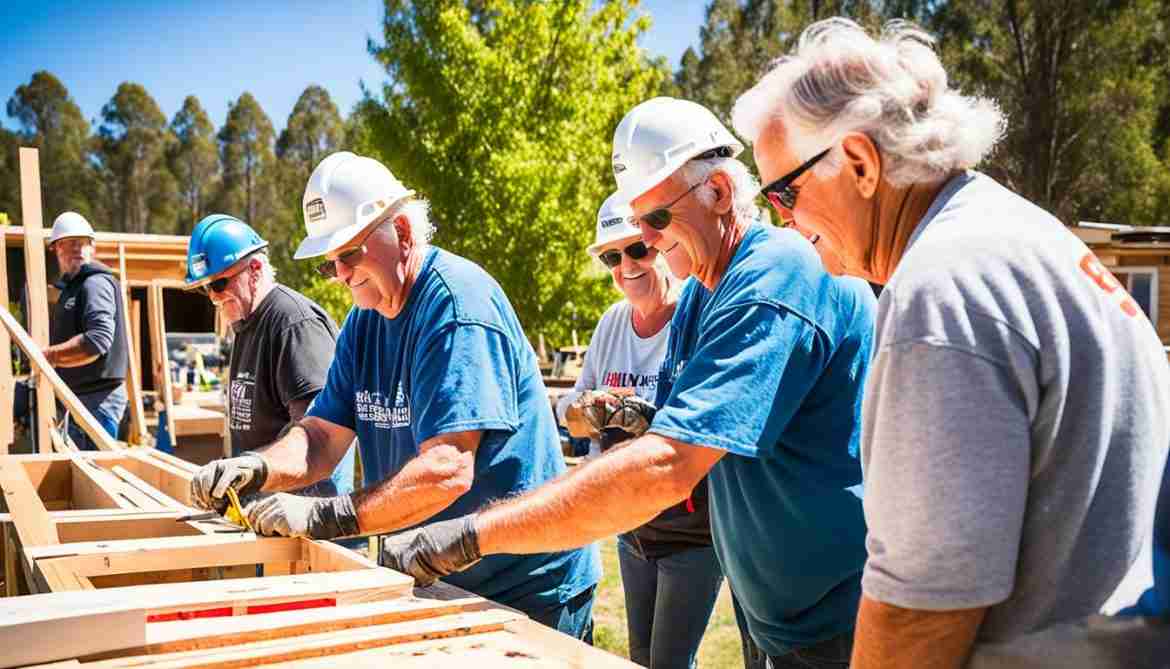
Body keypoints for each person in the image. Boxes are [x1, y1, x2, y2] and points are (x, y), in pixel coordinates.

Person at [730, 17, 1170, 668]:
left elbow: (918, 616)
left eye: (783, 192)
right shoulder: (1018, 235)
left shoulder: (938, 293)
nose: (781, 221)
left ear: (859, 161)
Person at [382, 98, 877, 669]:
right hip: (775, 607)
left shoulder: (774, 275)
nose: (645, 237)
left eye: (657, 219)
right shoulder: (701, 293)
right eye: (634, 218)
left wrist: (471, 535)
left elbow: (667, 464)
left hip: (839, 617)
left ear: (718, 191)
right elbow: (668, 432)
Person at [188, 152, 600, 641]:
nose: (339, 273)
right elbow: (320, 435)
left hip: (524, 587)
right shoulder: (365, 320)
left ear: (402, 232)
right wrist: (258, 467)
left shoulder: (455, 305)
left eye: (349, 253)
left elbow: (447, 470)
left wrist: (320, 515)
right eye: (329, 262)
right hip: (436, 575)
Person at [557, 193, 723, 669]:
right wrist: (591, 410)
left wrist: (645, 417)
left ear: (662, 244)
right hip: (629, 521)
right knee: (639, 657)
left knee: (669, 661)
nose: (625, 266)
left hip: (690, 529)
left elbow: (704, 425)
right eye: (612, 256)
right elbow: (571, 413)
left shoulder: (698, 314)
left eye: (637, 250)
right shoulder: (611, 323)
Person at [184, 214, 353, 498]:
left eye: (219, 284)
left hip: (307, 513)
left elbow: (318, 437)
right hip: (267, 502)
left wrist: (253, 468)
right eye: (206, 287)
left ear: (255, 269)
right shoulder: (246, 325)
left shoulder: (294, 324)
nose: (213, 296)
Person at [40, 212, 129, 450]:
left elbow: (97, 341)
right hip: (82, 401)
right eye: (69, 243)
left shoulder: (94, 283)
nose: (77, 248)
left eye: (83, 242)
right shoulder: (72, 288)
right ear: (56, 249)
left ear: (93, 248)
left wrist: (50, 356)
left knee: (95, 479)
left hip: (97, 401)